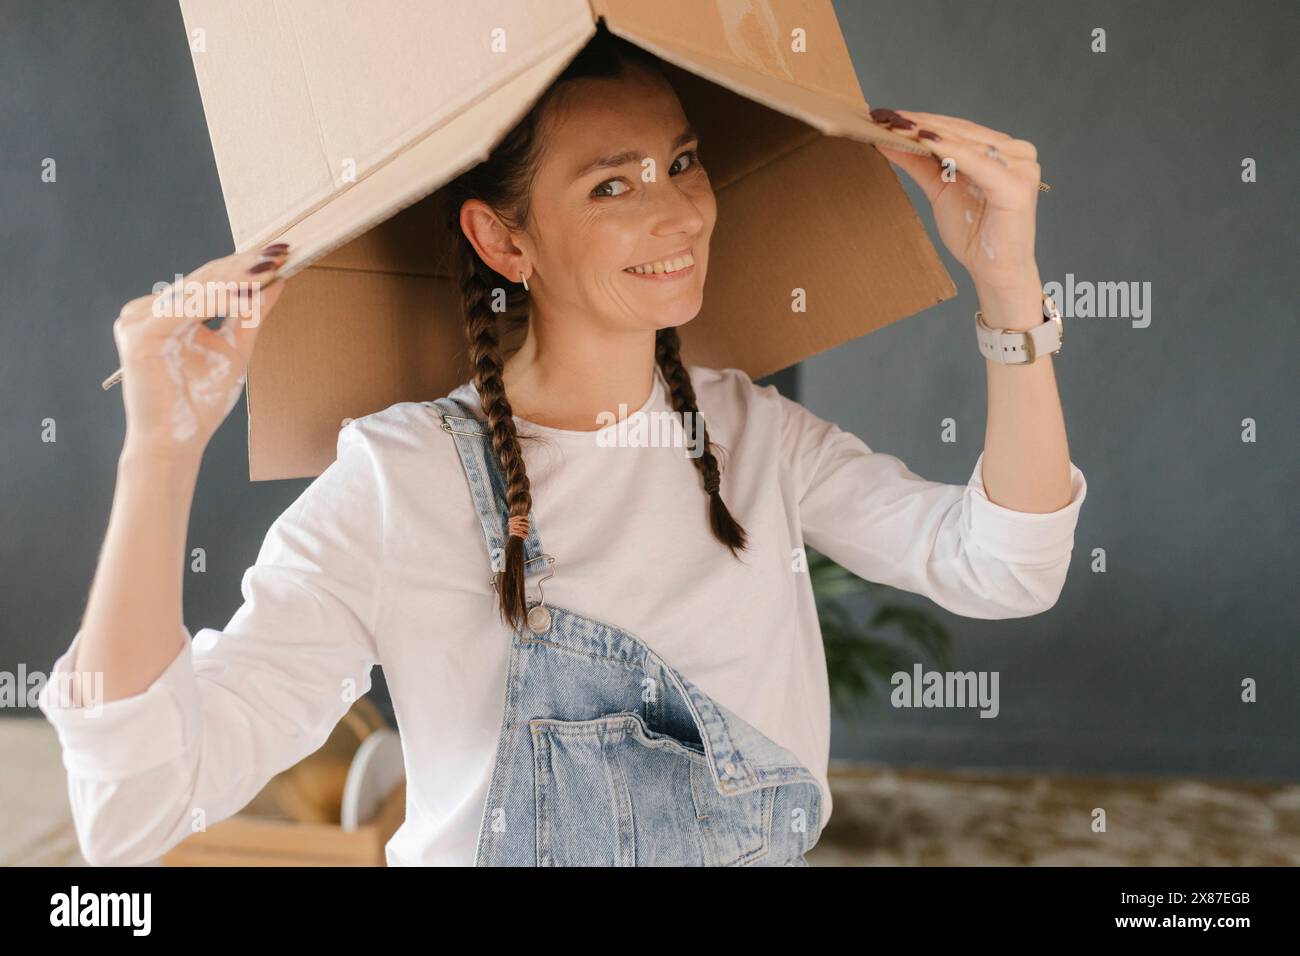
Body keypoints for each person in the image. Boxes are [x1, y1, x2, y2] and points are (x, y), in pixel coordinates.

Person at [39, 27, 1086, 866]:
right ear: (504, 241)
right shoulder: (400, 484)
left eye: (681, 161)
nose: (678, 210)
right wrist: (161, 453)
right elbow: (136, 810)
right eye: (611, 185)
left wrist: (1006, 285)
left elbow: (1006, 566)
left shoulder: (752, 434)